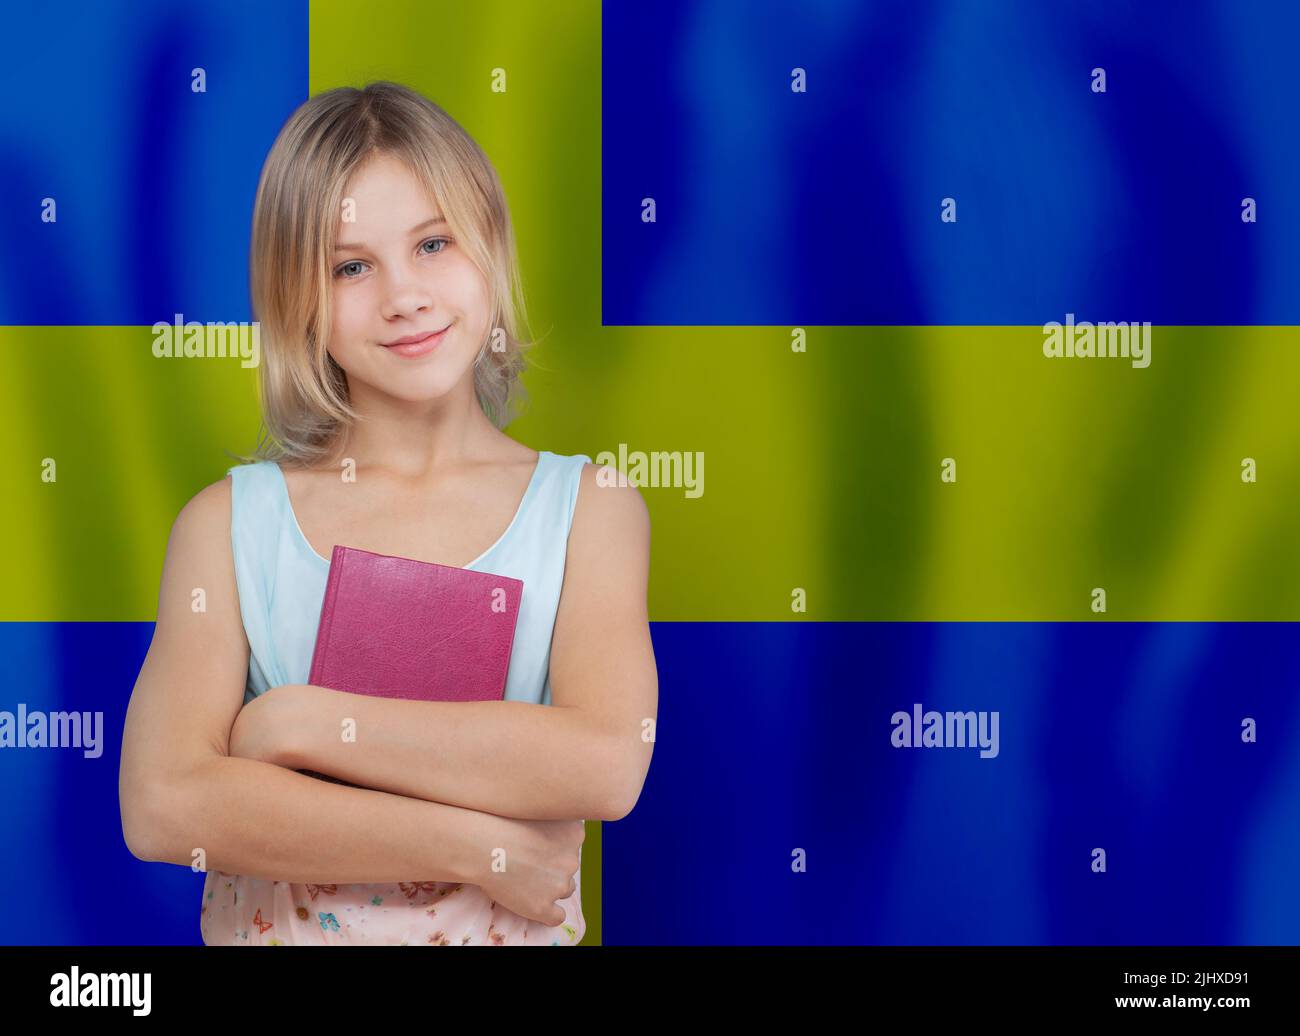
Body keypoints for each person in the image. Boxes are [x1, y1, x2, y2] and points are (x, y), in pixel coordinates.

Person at [118, 81, 657, 945]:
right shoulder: (228, 527)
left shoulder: (588, 511)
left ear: (490, 244)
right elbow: (161, 804)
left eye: (433, 243)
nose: (403, 295)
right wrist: (475, 847)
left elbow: (605, 762)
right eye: (351, 266)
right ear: (296, 295)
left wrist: (297, 724)